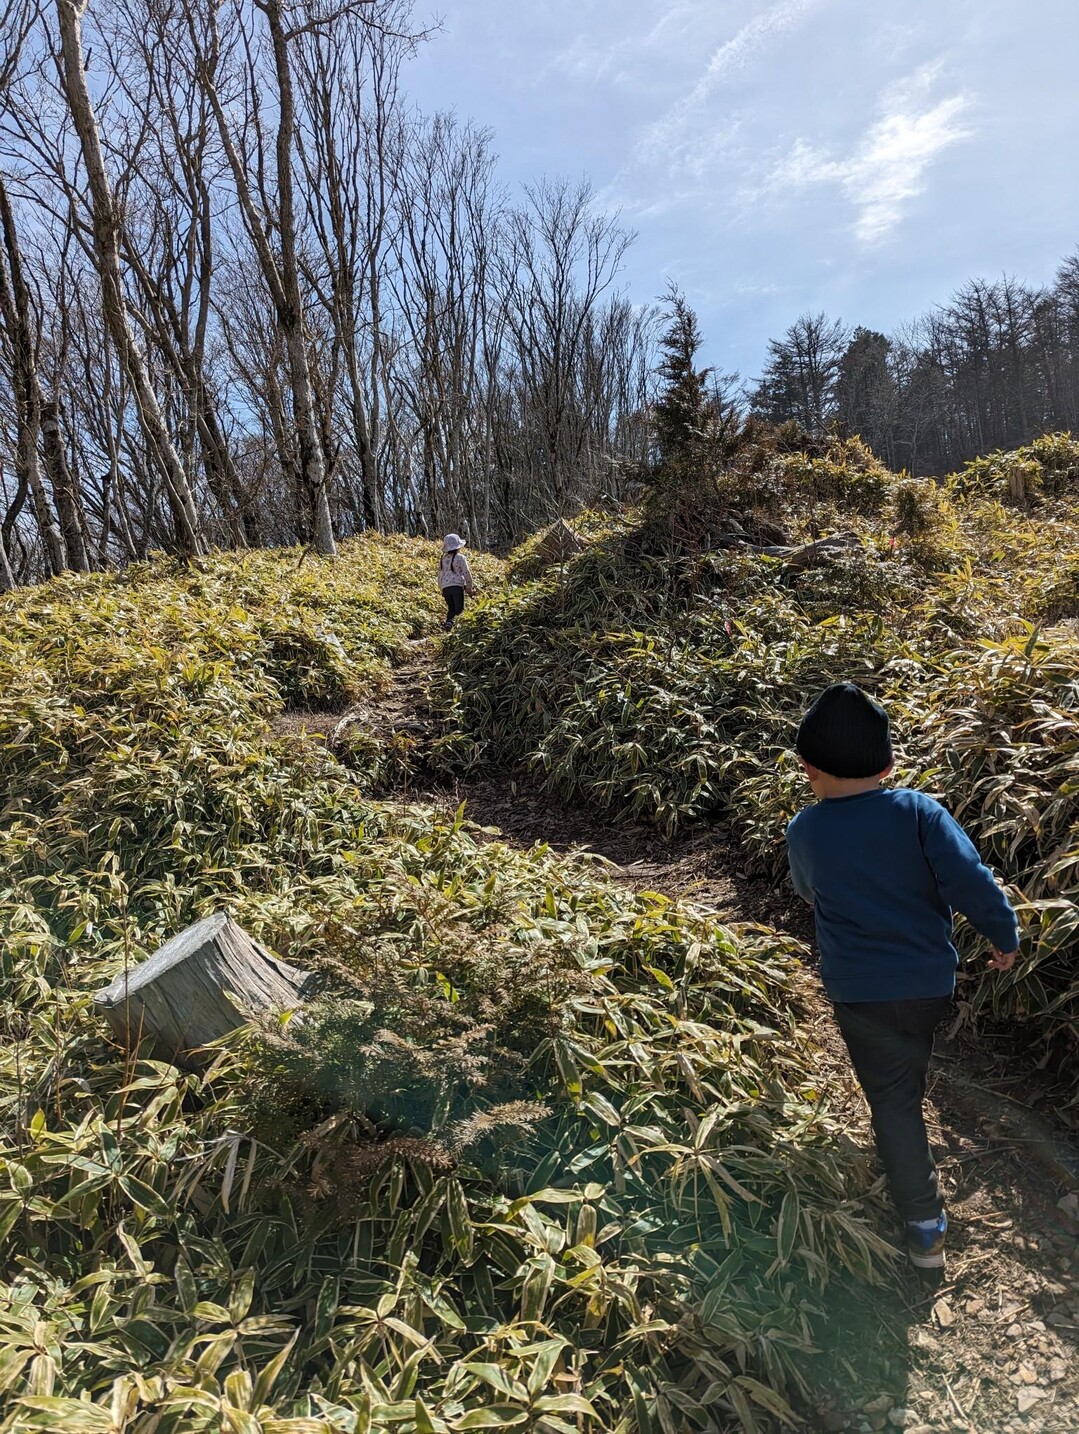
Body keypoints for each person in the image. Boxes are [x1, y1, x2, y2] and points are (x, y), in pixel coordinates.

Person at [785, 682, 1020, 1273]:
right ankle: (909, 1125)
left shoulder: (806, 829)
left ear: (808, 767)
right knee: (906, 1070)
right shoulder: (919, 812)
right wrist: (1004, 934)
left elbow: (808, 891)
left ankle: (923, 1225)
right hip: (926, 985)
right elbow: (970, 880)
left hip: (857, 990)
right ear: (889, 766)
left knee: (891, 1101)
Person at [437, 533, 474, 629]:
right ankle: (458, 627)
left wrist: (441, 589)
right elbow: (466, 572)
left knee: (451, 608)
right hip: (457, 587)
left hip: (446, 588)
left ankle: (449, 622)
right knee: (459, 609)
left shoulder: (443, 559)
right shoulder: (460, 557)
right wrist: (469, 587)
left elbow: (440, 576)